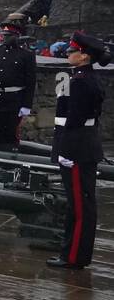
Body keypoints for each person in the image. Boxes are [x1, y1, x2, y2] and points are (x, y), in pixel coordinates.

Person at [48, 31, 109, 269]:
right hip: (81, 145)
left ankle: (74, 257)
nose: (69, 54)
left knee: (81, 206)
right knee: (79, 204)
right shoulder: (81, 78)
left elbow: (76, 118)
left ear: (83, 56)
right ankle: (71, 253)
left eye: (72, 51)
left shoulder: (82, 81)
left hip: (78, 147)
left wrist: (65, 149)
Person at [0, 15, 36, 148]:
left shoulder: (26, 55)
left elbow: (30, 81)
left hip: (13, 99)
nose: (5, 38)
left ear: (17, 36)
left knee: (9, 134)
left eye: (9, 35)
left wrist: (26, 105)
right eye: (4, 35)